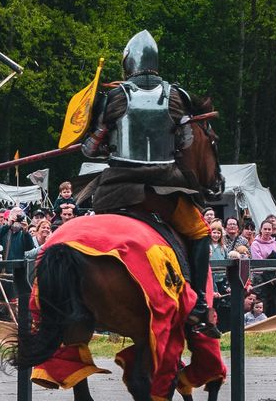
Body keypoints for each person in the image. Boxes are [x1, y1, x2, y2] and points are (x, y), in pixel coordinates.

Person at [78, 28, 221, 336]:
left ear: (127, 63)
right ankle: (198, 305)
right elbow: (186, 142)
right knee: (200, 233)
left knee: (85, 230)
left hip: (118, 188)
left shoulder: (114, 97)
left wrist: (103, 142)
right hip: (164, 186)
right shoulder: (176, 96)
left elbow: (90, 149)